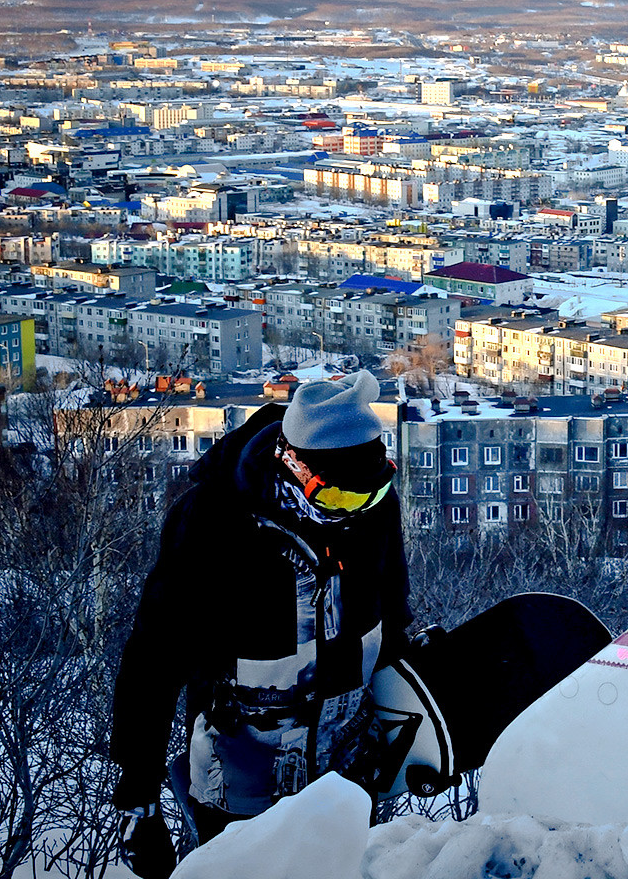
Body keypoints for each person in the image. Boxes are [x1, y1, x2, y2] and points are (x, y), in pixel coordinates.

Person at [109, 371, 412, 877]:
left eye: (371, 495)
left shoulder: (372, 507)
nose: (354, 513)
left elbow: (393, 617)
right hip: (240, 787)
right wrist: (138, 799)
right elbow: (152, 662)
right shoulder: (213, 524)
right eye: (339, 499)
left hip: (347, 779)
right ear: (294, 466)